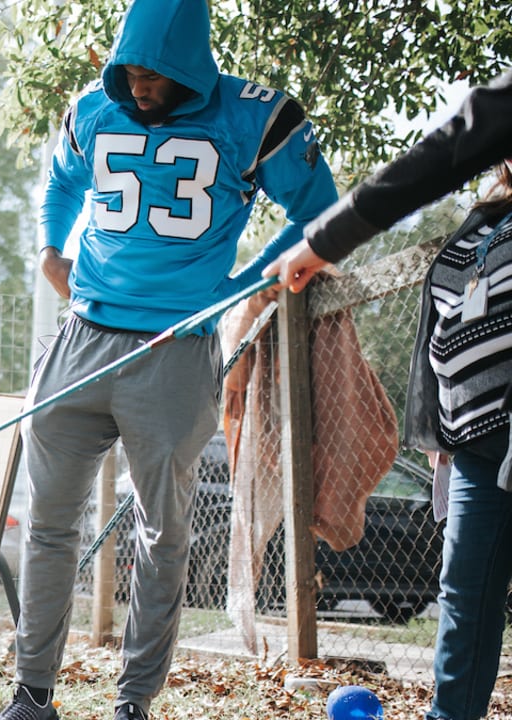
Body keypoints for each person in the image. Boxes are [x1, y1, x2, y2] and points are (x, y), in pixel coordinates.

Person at [0, 0, 338, 717]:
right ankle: (32, 694)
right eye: (129, 72)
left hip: (175, 351)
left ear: (187, 65)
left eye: (152, 74)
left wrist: (242, 286)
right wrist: (51, 250)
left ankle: (134, 700)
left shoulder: (254, 114)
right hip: (82, 337)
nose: (138, 87)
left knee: (163, 532)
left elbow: (321, 211)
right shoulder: (95, 108)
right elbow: (59, 184)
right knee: (49, 521)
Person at [266, 69, 512, 720]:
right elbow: (442, 321)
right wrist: (438, 434)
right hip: (475, 440)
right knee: (464, 596)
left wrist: (322, 240)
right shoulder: (483, 216)